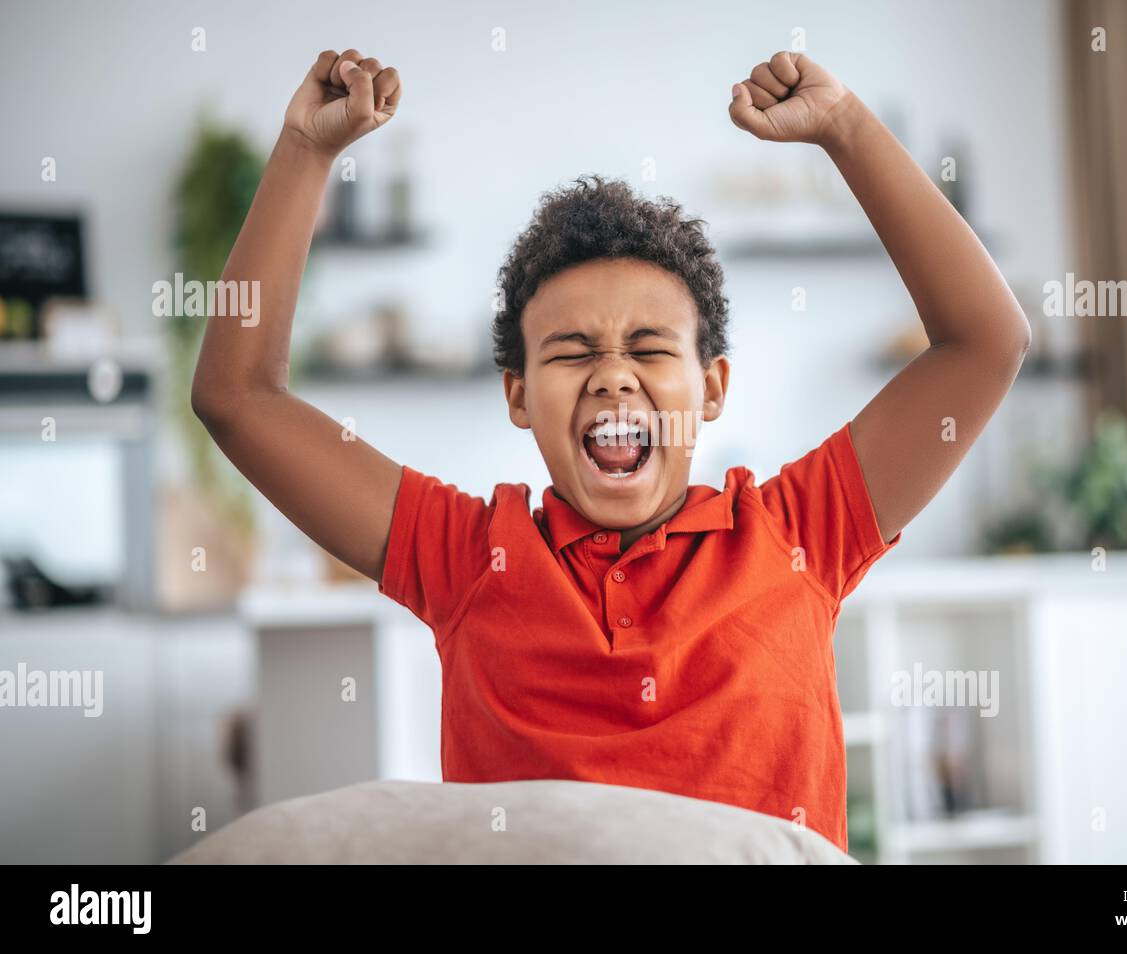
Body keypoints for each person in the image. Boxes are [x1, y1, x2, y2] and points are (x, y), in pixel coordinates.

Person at [191, 48, 1031, 852]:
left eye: (650, 348)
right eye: (572, 350)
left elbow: (983, 342)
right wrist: (305, 149)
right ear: (518, 395)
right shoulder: (465, 558)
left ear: (712, 389)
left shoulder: (797, 534)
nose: (614, 378)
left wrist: (846, 125)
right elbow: (237, 400)